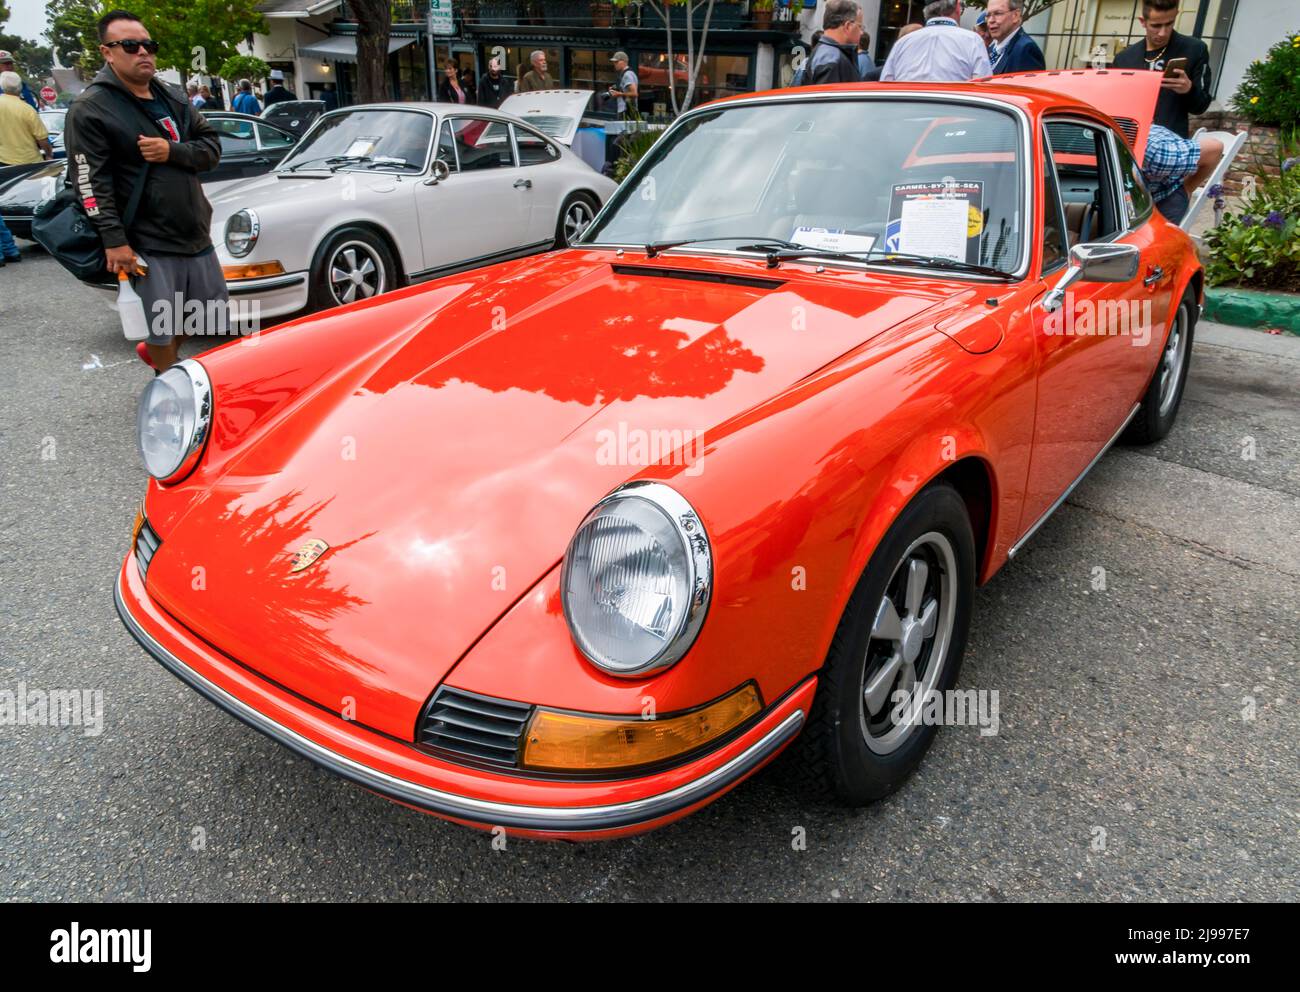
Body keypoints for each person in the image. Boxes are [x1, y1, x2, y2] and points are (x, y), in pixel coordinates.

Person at [64, 9, 225, 373]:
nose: (143, 53)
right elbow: (89, 183)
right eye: (131, 45)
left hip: (194, 228)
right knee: (163, 321)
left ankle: (157, 353)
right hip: (146, 238)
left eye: (148, 45)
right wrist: (114, 240)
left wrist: (173, 151)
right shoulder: (91, 108)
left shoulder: (172, 96)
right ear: (107, 52)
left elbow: (211, 149)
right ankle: (167, 384)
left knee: (208, 315)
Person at [1112, 0, 1211, 137]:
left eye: (1169, 23)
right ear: (1143, 21)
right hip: (1130, 139)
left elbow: (1201, 106)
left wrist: (1189, 89)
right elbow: (1115, 105)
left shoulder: (1195, 49)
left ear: (1176, 15)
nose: (1163, 33)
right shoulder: (1124, 59)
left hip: (1171, 143)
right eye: (1156, 26)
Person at [880, 0, 991, 82]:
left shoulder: (902, 43)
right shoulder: (973, 41)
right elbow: (983, 88)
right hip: (955, 112)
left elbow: (885, 88)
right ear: (957, 7)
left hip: (907, 112)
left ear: (926, 11)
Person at [1143, 124, 1222, 223]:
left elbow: (1215, 148)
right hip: (1145, 191)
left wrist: (1187, 188)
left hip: (1168, 193)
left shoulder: (1159, 155)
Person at [0, 71, 53, 166]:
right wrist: (49, 155)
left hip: (3, 162)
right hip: (30, 163)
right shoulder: (27, 109)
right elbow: (42, 139)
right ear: (20, 87)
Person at [806, 0, 863, 85]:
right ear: (848, 26)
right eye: (860, 26)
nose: (862, 32)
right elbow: (827, 98)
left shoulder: (827, 54)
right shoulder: (831, 59)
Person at [985, 0, 1046, 74]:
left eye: (998, 13)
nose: (991, 20)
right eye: (988, 15)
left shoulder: (1026, 50)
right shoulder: (991, 48)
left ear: (1016, 15)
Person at [607, 51, 639, 117]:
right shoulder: (626, 73)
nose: (614, 64)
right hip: (626, 110)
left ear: (623, 61)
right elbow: (626, 90)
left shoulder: (627, 74)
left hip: (626, 111)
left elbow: (634, 93)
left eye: (616, 62)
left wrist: (619, 94)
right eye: (614, 62)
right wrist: (615, 89)